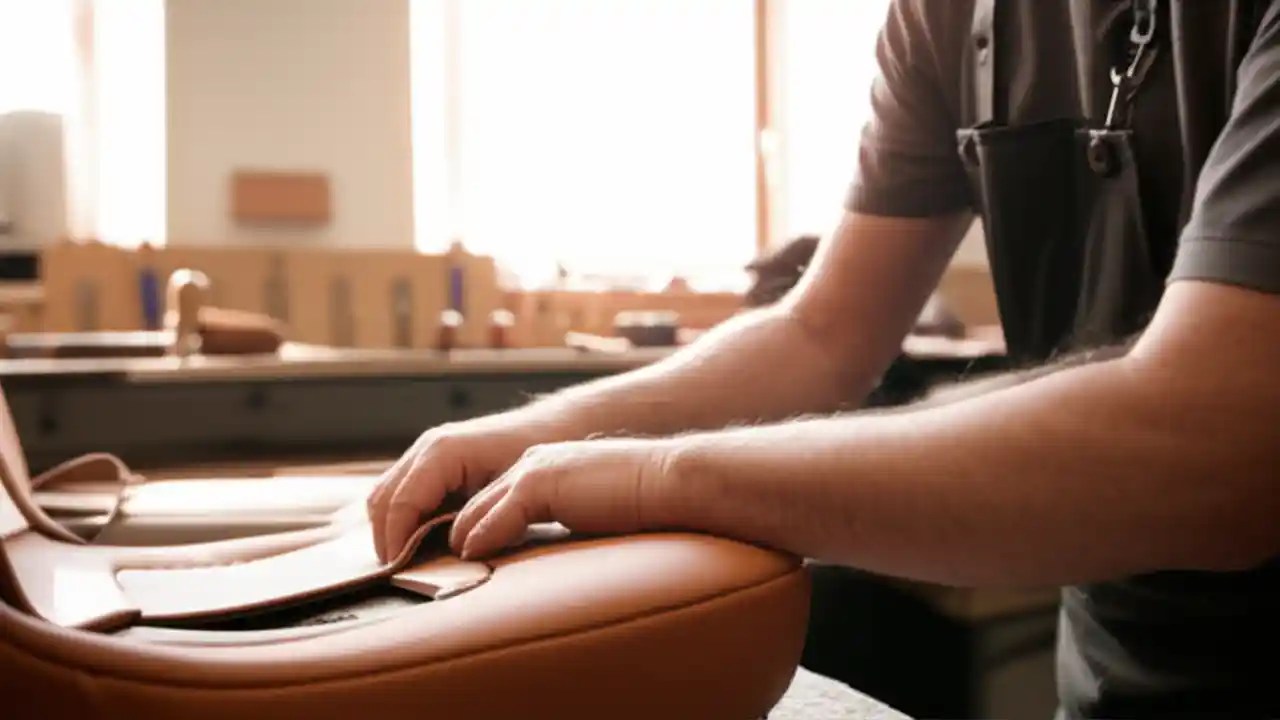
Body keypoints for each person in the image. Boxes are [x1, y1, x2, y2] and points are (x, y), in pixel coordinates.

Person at [368, 1, 1280, 716]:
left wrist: (659, 477)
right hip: (1112, 673)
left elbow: (1215, 443)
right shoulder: (946, 16)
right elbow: (823, 333)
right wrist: (537, 438)